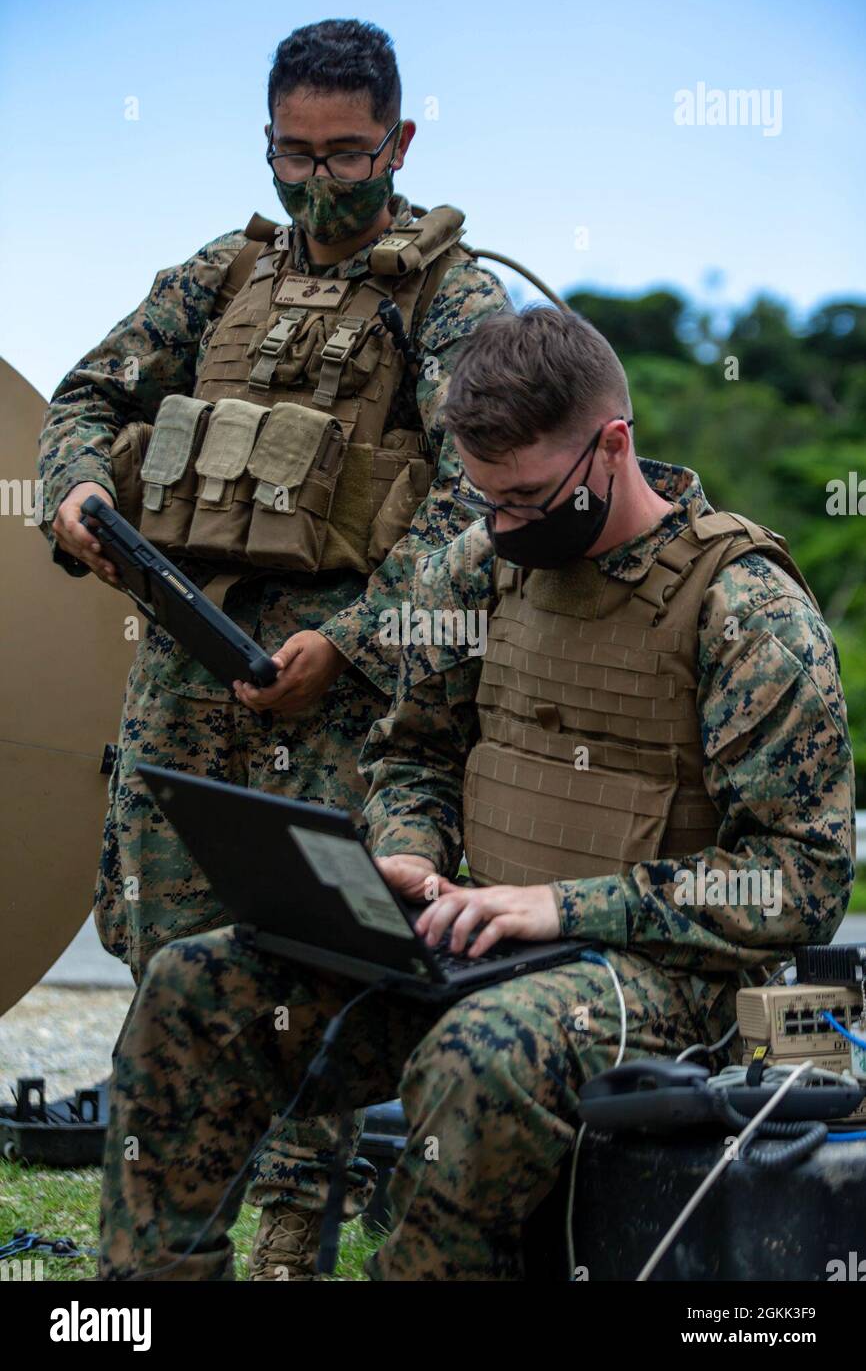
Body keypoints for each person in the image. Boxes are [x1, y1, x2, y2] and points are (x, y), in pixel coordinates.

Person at [98, 306, 855, 1281]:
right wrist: (407, 852)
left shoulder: (742, 610)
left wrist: (560, 906)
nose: (500, 525)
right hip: (476, 940)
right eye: (482, 496)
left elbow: (798, 879)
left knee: (483, 1054)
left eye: (527, 496)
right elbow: (414, 748)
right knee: (200, 981)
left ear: (611, 445)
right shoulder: (481, 564)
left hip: (673, 975)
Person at [36, 18, 510, 1279]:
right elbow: (89, 393)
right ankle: (148, 1263)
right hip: (187, 668)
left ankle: (297, 1240)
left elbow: (478, 501)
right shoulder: (220, 278)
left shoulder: (452, 301)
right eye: (291, 153)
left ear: (399, 142)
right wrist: (76, 491)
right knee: (162, 944)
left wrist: (348, 646)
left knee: (316, 962)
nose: (317, 182)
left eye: (347, 156)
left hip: (345, 691)